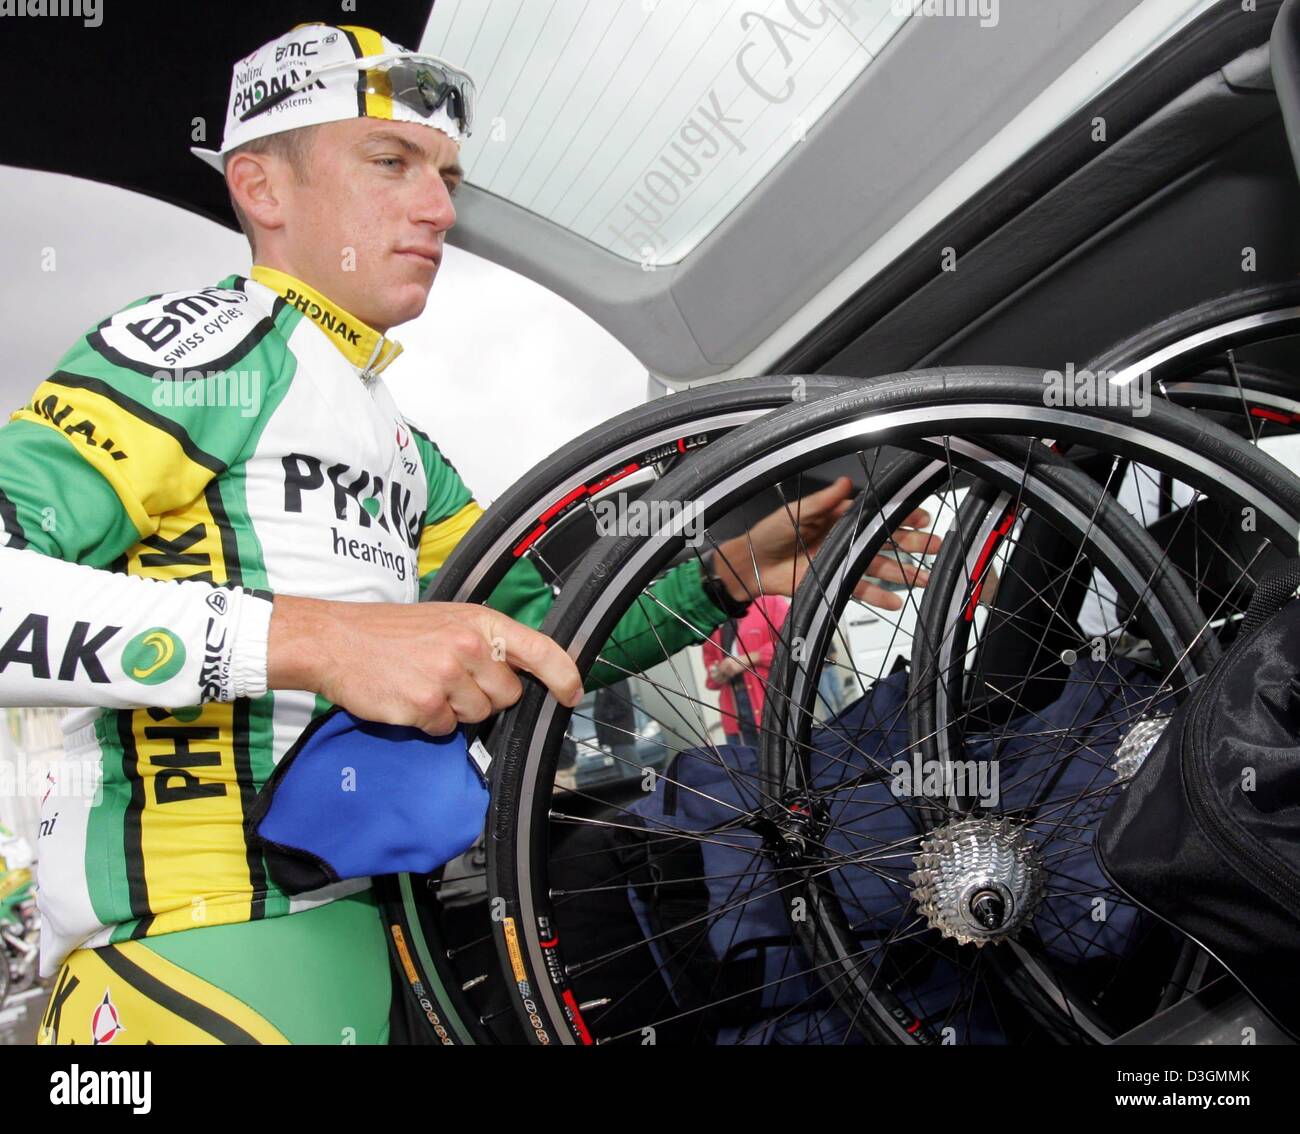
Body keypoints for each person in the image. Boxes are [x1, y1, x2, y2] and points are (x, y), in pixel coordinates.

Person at [0, 23, 937, 1044]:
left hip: (371, 938)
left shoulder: (404, 447)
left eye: (447, 174)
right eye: (391, 162)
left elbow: (538, 639)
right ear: (263, 189)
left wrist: (725, 574)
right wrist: (318, 639)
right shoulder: (204, 352)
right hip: (190, 960)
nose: (439, 208)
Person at [703, 595, 791, 748]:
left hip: (771, 706)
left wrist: (752, 658)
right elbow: (710, 664)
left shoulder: (771, 602)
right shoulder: (715, 617)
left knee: (783, 764)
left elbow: (795, 646)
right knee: (746, 769)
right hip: (734, 712)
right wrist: (717, 674)